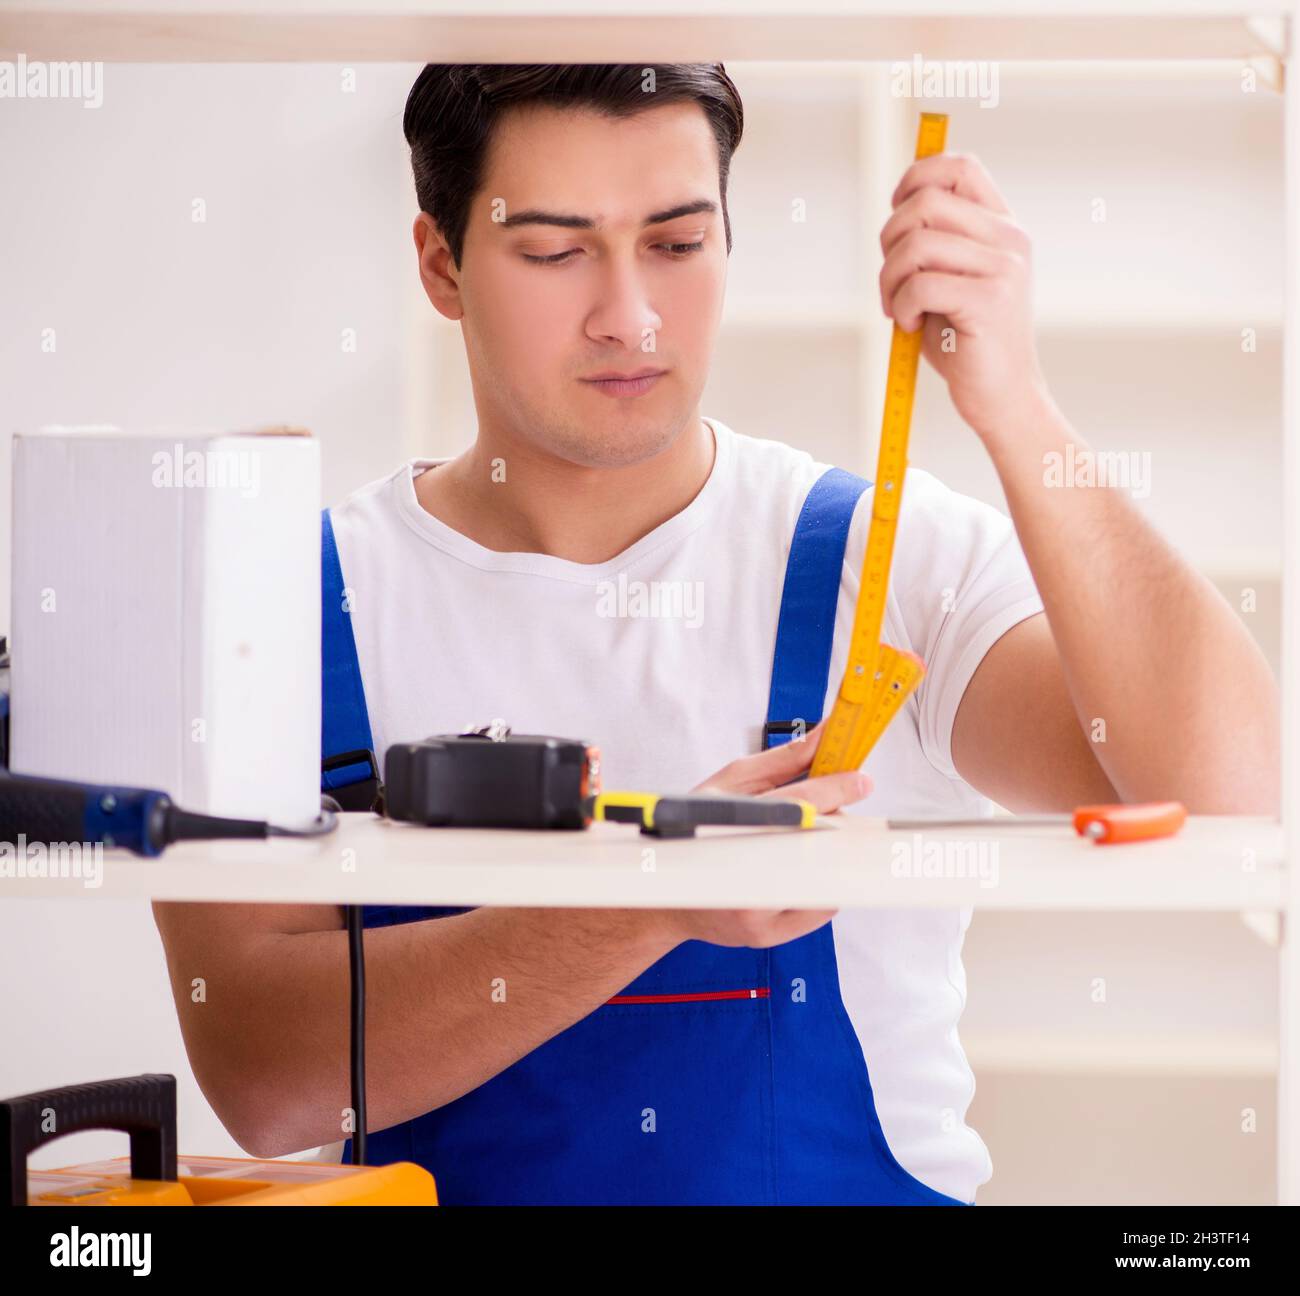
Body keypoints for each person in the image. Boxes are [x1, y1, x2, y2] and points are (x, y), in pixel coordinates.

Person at [153, 63, 1279, 1206]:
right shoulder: (285, 603)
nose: (629, 317)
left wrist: (1015, 405)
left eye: (679, 245)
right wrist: (650, 903)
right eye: (555, 252)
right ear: (442, 265)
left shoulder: (886, 563)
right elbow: (266, 1079)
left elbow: (1232, 786)